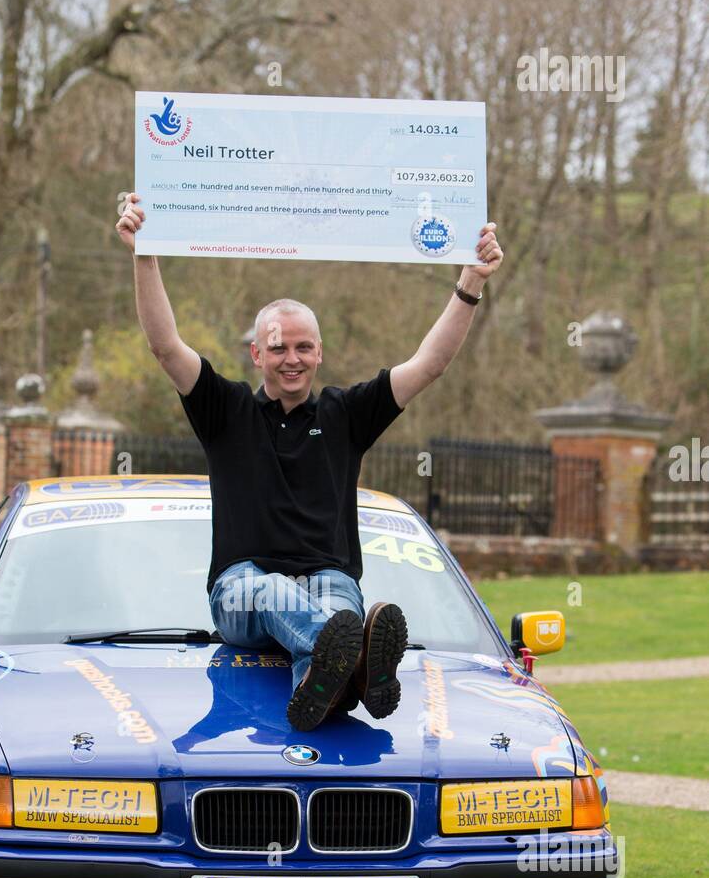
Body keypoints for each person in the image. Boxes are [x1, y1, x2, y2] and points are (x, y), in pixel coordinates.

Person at [116, 193, 503, 730]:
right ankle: (361, 661)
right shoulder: (224, 410)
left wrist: (471, 283)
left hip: (327, 577)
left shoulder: (348, 413)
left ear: (319, 352)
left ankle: (322, 685)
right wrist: (145, 255)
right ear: (257, 354)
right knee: (284, 597)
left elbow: (430, 364)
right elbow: (164, 345)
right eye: (278, 348)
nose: (291, 359)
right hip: (240, 592)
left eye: (302, 347)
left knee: (338, 613)